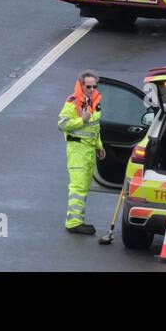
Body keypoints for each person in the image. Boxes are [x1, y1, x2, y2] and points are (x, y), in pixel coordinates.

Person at [57, 71, 105, 235]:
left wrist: (99, 146)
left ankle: (78, 221)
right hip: (78, 151)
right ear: (81, 85)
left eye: (94, 86)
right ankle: (74, 223)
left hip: (88, 151)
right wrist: (81, 120)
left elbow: (95, 128)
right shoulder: (73, 102)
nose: (91, 89)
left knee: (83, 188)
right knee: (78, 188)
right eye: (88, 86)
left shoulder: (93, 101)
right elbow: (62, 124)